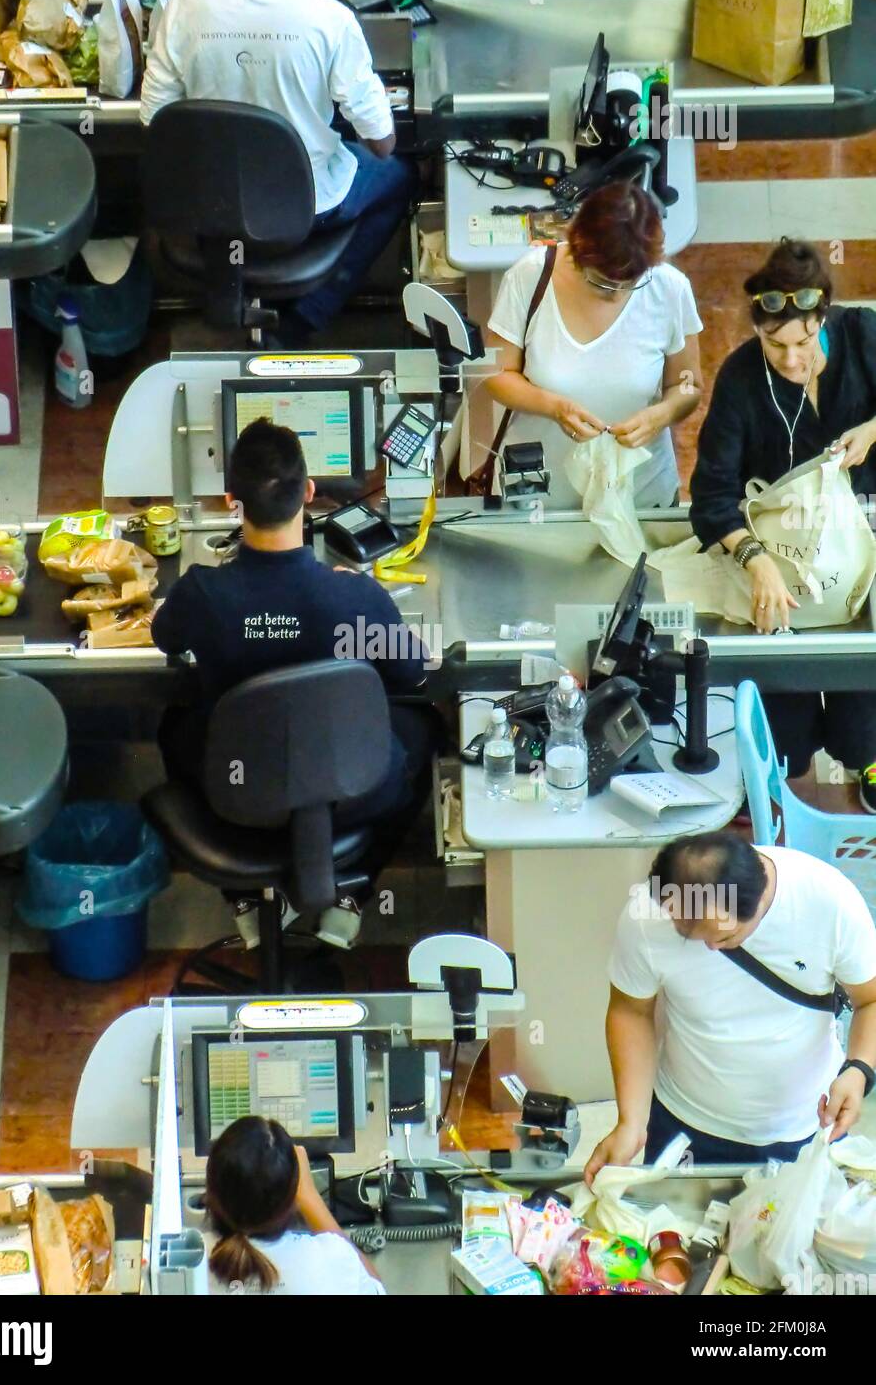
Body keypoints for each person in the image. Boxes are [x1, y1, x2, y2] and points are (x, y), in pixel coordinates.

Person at [152, 418, 440, 946]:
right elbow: (414, 674)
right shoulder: (354, 598)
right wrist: (365, 600)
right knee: (423, 728)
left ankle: (244, 899)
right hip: (350, 789)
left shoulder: (203, 593)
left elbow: (164, 637)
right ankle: (352, 895)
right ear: (309, 493)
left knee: (175, 724)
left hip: (237, 791)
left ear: (231, 501)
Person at [691, 238, 876, 806]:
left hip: (863, 558)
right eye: (775, 345)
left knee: (864, 713)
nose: (791, 361)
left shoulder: (863, 336)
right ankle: (787, 801)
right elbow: (712, 496)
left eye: (803, 343)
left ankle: (864, 775)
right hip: (783, 570)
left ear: (823, 319)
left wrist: (872, 429)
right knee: (786, 729)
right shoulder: (742, 379)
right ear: (757, 330)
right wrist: (756, 561)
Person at [585, 831, 876, 1181]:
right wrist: (631, 1121)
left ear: (760, 898)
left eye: (724, 937)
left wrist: (858, 1069)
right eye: (687, 934)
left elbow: (870, 999)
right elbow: (631, 1011)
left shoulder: (829, 902)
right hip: (685, 1119)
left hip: (806, 1123)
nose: (709, 947)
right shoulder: (647, 916)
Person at [140, 0, 415, 344]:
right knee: (400, 176)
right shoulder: (331, 18)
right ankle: (302, 319)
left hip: (212, 206)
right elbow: (381, 143)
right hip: (308, 208)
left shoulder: (182, 8)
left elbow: (153, 123)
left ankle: (252, 299)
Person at [483, 182, 703, 508]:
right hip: (538, 487)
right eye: (602, 281)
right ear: (577, 250)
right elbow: (497, 374)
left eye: (630, 283)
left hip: (639, 490)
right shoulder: (529, 276)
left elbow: (687, 384)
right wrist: (555, 407)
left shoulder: (671, 289)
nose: (616, 294)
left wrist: (661, 414)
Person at [203, 1115, 384, 1295]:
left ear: (211, 1189)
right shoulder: (333, 1260)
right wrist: (309, 1196)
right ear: (291, 1194)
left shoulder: (191, 1260)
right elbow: (376, 1287)